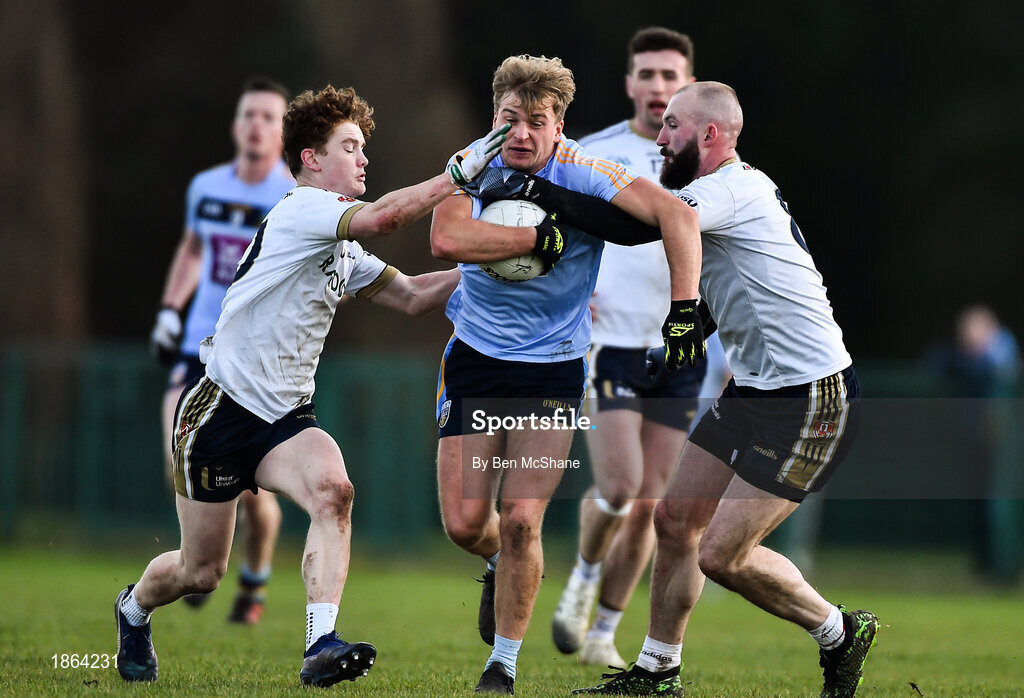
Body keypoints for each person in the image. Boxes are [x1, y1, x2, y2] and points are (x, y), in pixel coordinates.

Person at [114, 84, 510, 687]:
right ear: (310, 160)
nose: (363, 159)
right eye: (349, 146)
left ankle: (320, 642)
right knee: (201, 572)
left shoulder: (338, 243)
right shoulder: (302, 210)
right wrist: (455, 177)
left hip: (284, 419)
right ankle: (134, 609)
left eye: (362, 147)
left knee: (334, 490)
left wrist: (494, 267)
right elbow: (384, 217)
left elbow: (409, 297)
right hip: (220, 410)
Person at [573, 82, 877, 698]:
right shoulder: (715, 197)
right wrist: (688, 332)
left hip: (811, 399)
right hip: (754, 391)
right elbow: (738, 282)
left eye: (672, 126)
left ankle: (839, 631)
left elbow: (644, 225)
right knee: (675, 519)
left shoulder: (728, 188)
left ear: (710, 135)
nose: (659, 137)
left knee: (722, 555)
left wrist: (555, 176)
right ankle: (658, 671)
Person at [430, 54, 704, 694]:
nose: (520, 134)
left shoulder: (583, 168)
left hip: (554, 368)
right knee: (468, 524)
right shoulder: (475, 161)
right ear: (492, 118)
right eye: (509, 119)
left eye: (537, 120)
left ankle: (503, 664)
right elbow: (446, 239)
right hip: (475, 359)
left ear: (559, 127)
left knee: (524, 516)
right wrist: (532, 240)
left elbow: (676, 216)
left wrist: (685, 307)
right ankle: (497, 560)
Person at [548, 28, 707, 668]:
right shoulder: (594, 153)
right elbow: (552, 235)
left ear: (687, 84)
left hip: (676, 352)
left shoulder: (708, 162)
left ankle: (602, 634)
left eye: (671, 76)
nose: (658, 87)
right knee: (618, 486)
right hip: (610, 342)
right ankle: (583, 578)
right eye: (647, 74)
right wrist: (565, 292)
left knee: (652, 504)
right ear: (629, 85)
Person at [149, 76, 294, 624]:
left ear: (284, 132)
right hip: (196, 347)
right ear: (235, 126)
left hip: (251, 361)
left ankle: (252, 582)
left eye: (268, 116)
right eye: (248, 114)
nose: (256, 124)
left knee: (256, 499)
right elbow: (193, 248)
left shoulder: (291, 199)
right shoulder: (206, 187)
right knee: (175, 455)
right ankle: (198, 560)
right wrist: (170, 308)